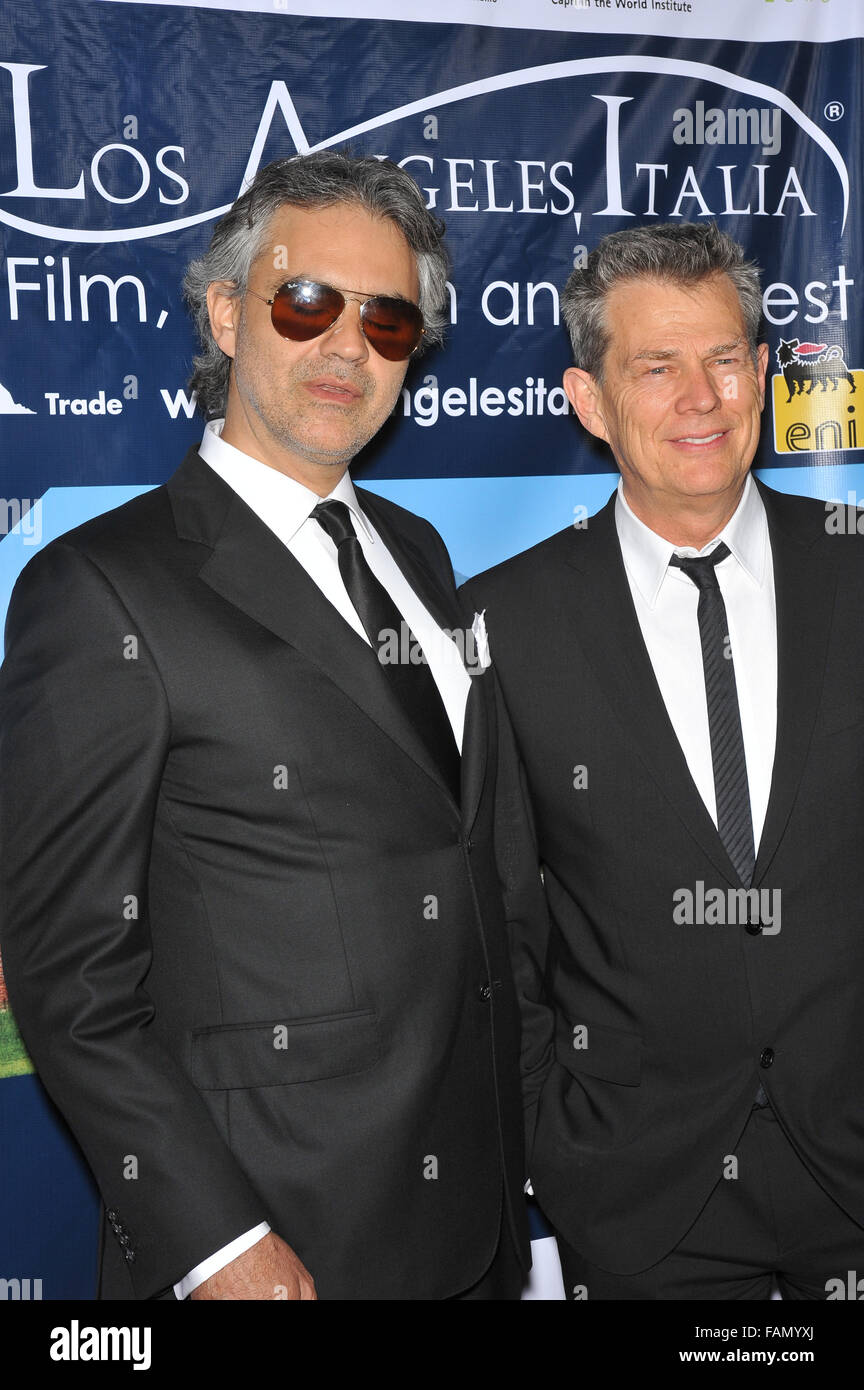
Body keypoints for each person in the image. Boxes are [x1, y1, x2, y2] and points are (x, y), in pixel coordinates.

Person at [0, 152, 542, 1301]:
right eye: (308, 302)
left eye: (390, 321)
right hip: (276, 1237)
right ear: (225, 315)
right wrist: (215, 1242)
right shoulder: (99, 587)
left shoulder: (421, 555)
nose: (349, 344)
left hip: (479, 1226)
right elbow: (69, 974)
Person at [462, 222, 864, 1300]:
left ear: (765, 373)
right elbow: (497, 923)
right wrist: (554, 1133)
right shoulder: (502, 622)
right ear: (589, 401)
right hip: (641, 1192)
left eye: (726, 359)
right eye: (656, 367)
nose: (703, 397)